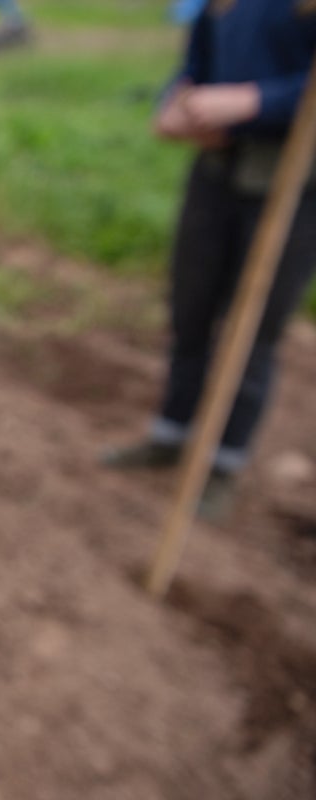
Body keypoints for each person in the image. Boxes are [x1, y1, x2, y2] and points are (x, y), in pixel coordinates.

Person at [100, 0, 316, 521]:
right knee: (190, 310)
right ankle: (172, 434)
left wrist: (252, 101)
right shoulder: (221, 5)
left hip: (287, 183)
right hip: (215, 173)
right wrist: (177, 104)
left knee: (252, 330)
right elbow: (195, 66)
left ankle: (220, 464)